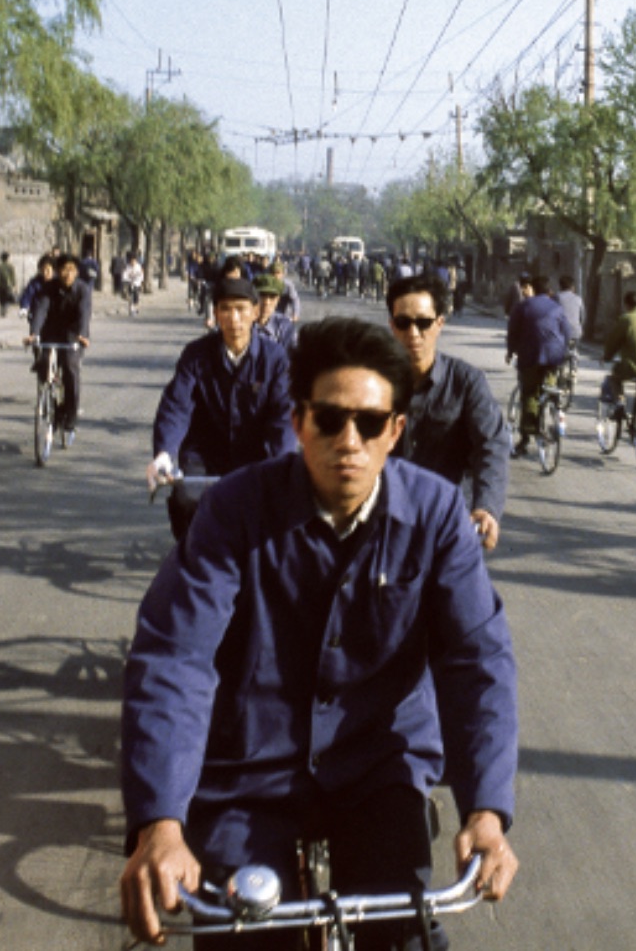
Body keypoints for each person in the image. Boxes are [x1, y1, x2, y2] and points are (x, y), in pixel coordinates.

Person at [118, 318, 519, 949]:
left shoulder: (439, 515)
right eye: (329, 420)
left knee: (405, 930)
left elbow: (477, 659)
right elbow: (175, 655)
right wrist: (159, 823)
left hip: (378, 768)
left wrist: (486, 810)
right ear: (299, 422)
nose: (349, 442)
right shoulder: (233, 510)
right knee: (238, 934)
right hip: (249, 773)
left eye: (370, 423)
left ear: (396, 430)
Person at [147, 276, 296, 543]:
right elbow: (176, 405)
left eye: (241, 309)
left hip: (255, 456)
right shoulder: (196, 355)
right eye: (225, 309)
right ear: (215, 314)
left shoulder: (274, 359)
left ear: (255, 311)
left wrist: (281, 464)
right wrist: (164, 453)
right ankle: (191, 553)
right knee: (186, 500)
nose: (233, 318)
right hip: (204, 455)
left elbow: (283, 417)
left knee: (269, 514)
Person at [389, 274, 512, 550]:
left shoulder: (466, 382)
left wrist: (486, 507)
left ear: (439, 324)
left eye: (423, 323)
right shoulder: (374, 383)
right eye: (403, 323)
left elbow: (492, 445)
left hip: (448, 523)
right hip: (386, 522)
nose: (413, 333)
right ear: (392, 326)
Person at [26, 254, 93, 442]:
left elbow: (84, 313)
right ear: (58, 271)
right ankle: (49, 403)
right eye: (64, 269)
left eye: (71, 270)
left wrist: (83, 335)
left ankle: (70, 418)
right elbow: (41, 310)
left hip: (74, 335)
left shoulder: (83, 290)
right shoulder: (49, 288)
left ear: (76, 272)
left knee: (71, 369)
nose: (67, 274)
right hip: (52, 332)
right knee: (44, 362)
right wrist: (34, 333)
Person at [504, 275, 569, 457]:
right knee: (549, 387)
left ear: (532, 288)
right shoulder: (557, 307)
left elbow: (512, 332)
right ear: (548, 290)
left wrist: (510, 351)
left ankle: (526, 437)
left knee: (529, 394)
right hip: (554, 357)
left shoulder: (522, 307)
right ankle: (553, 408)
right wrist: (562, 352)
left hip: (531, 357)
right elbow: (566, 332)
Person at [254, 273, 295, 349]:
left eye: (272, 297)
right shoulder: (243, 324)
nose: (266, 302)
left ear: (278, 300)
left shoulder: (284, 326)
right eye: (262, 295)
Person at [18, 254, 56, 322]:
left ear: (54, 270)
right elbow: (27, 295)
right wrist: (24, 307)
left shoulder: (58, 282)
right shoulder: (35, 283)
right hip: (36, 315)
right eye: (42, 270)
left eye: (48, 270)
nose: (45, 273)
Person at [554, 274, 585, 349]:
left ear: (560, 286)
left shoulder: (557, 297)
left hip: (560, 332)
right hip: (576, 332)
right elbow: (582, 316)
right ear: (572, 287)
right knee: (572, 348)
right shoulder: (578, 299)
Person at [0, 251, 19, 317]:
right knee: (7, 298)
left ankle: (2, 309)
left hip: (0, 286)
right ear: (7, 258)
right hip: (8, 286)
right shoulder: (11, 267)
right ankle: (5, 309)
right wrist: (15, 286)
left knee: (2, 298)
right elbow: (13, 277)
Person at [123, 253, 145, 318]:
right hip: (130, 283)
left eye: (133, 261)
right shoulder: (128, 267)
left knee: (136, 297)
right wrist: (127, 279)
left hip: (137, 283)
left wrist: (139, 280)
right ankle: (131, 310)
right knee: (130, 297)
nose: (132, 262)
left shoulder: (138, 267)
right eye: (131, 261)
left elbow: (141, 275)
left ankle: (136, 308)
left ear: (135, 260)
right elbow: (125, 275)